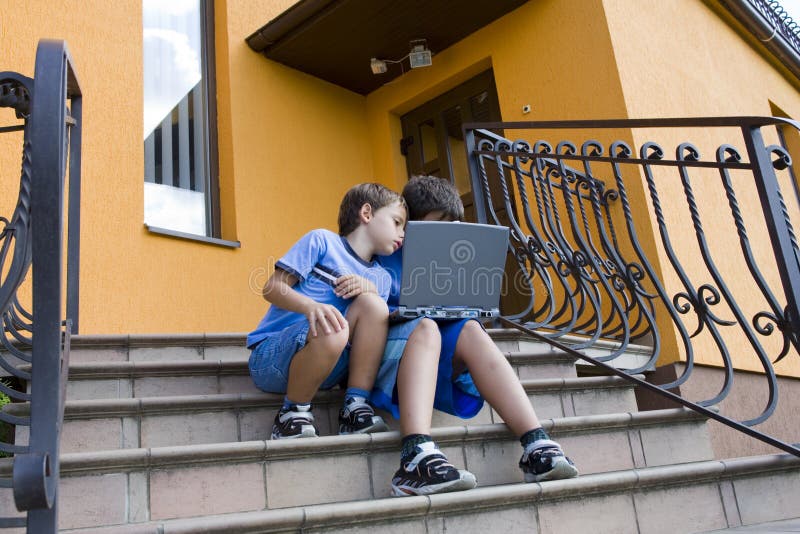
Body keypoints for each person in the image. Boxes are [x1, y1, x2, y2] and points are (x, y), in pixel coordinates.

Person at [374, 175, 578, 497]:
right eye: (438, 227)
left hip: (433, 356)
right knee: (425, 325)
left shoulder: (450, 259)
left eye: (454, 227)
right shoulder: (383, 251)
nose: (448, 236)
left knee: (471, 328)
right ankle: (414, 456)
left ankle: (536, 444)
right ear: (410, 224)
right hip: (393, 354)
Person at [246, 183, 406, 440]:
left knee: (374, 306)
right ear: (367, 214)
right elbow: (272, 287)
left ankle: (354, 408)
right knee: (331, 323)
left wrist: (371, 291)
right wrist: (311, 306)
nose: (402, 233)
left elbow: (370, 329)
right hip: (273, 358)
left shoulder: (381, 278)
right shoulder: (321, 241)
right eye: (397, 222)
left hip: (330, 367)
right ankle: (292, 414)